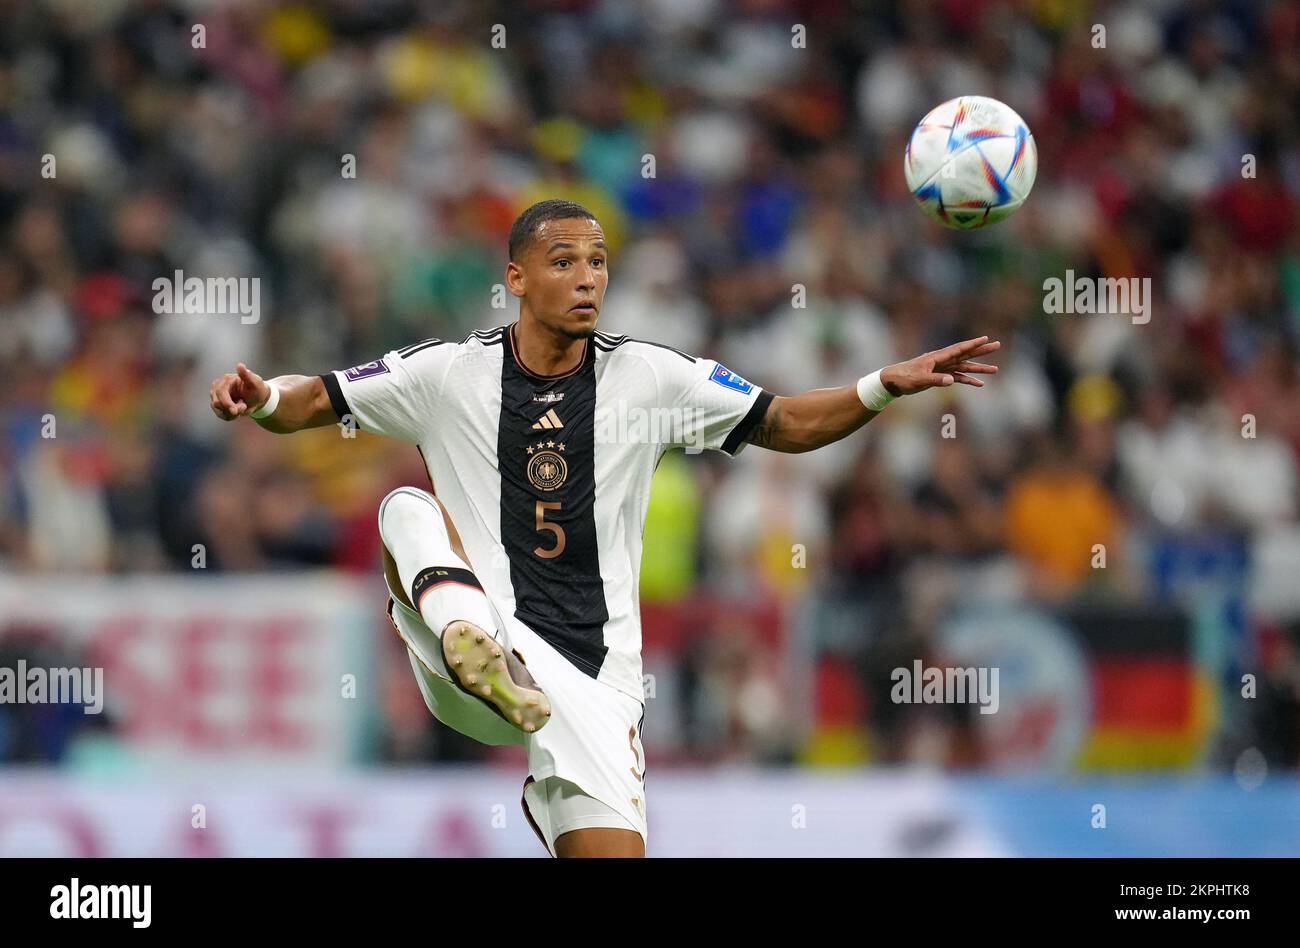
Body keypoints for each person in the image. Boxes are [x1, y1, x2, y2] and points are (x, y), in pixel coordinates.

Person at [209, 198, 1000, 857]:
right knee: (405, 510)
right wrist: (264, 399)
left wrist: (882, 385)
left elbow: (785, 422)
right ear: (516, 278)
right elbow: (318, 397)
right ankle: (470, 642)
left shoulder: (651, 376)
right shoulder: (449, 372)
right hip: (474, 634)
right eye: (564, 262)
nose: (587, 280)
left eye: (596, 263)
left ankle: (525, 737)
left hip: (590, 679)